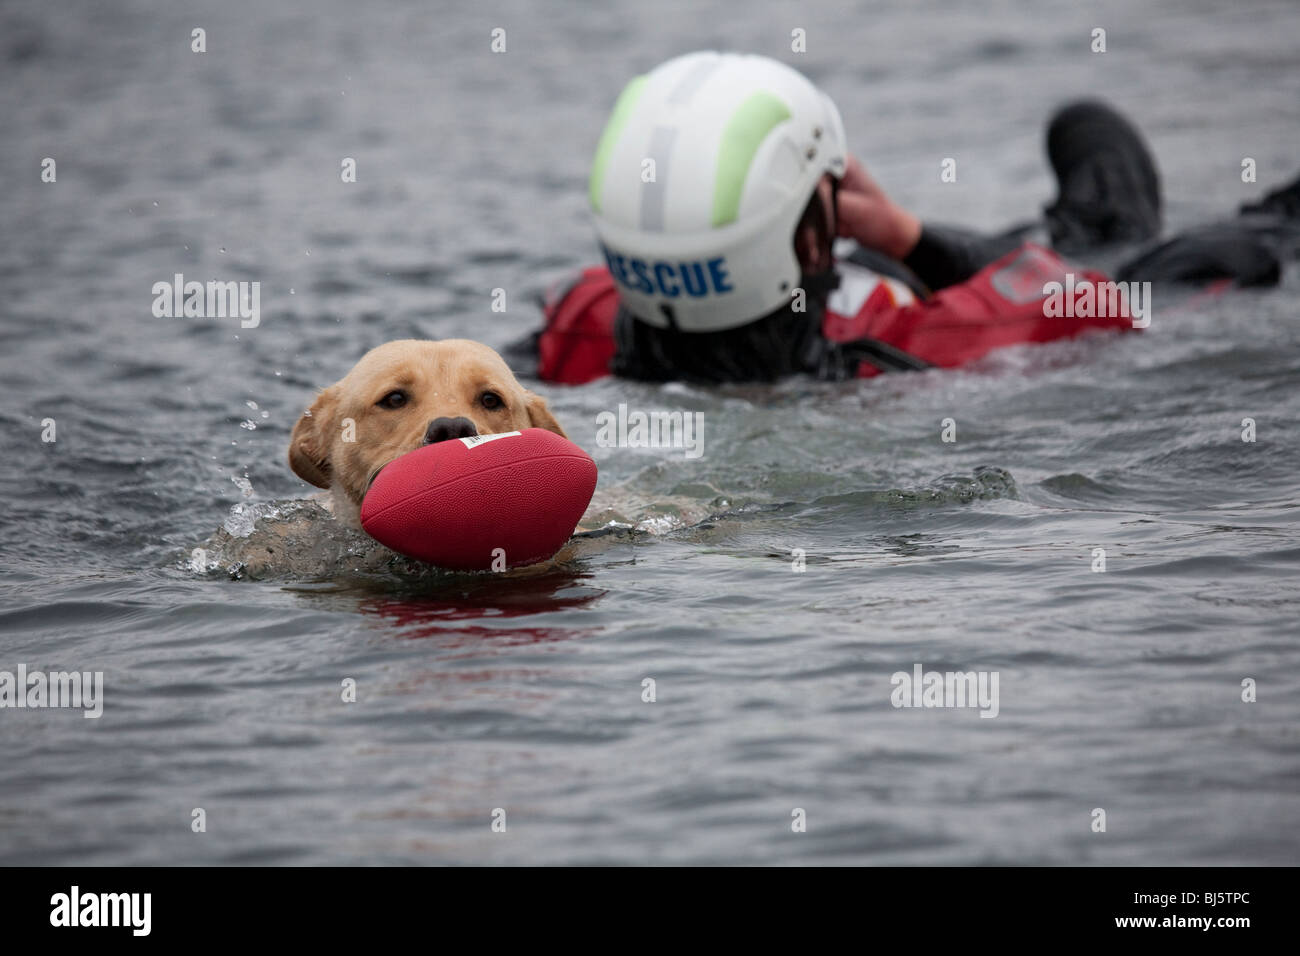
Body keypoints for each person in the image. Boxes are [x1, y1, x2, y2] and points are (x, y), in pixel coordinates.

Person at [507, 51, 1300, 386]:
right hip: (1076, 273)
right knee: (1098, 151)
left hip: (910, 274)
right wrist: (907, 235)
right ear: (813, 234)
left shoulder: (578, 327)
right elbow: (1100, 300)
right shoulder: (922, 348)